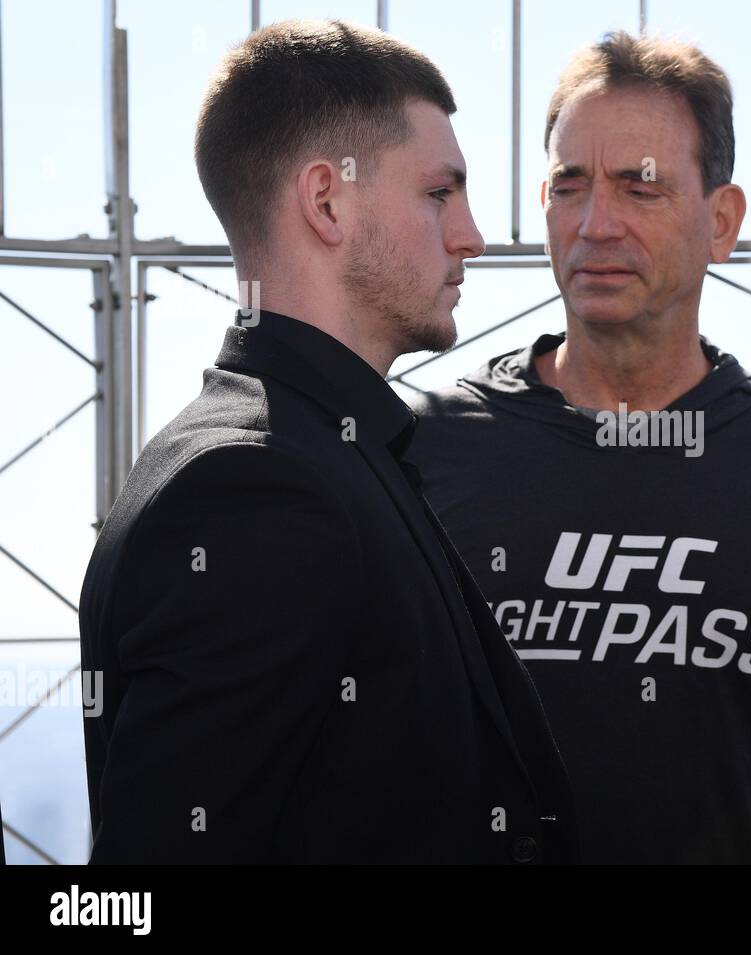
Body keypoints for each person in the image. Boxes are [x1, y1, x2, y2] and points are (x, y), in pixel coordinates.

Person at [78, 19, 576, 864]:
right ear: (326, 200)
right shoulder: (256, 488)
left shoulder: (323, 452)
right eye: (439, 193)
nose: (473, 235)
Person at [407, 31, 751, 863]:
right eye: (570, 185)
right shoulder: (426, 450)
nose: (597, 224)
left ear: (723, 221)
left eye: (641, 186)